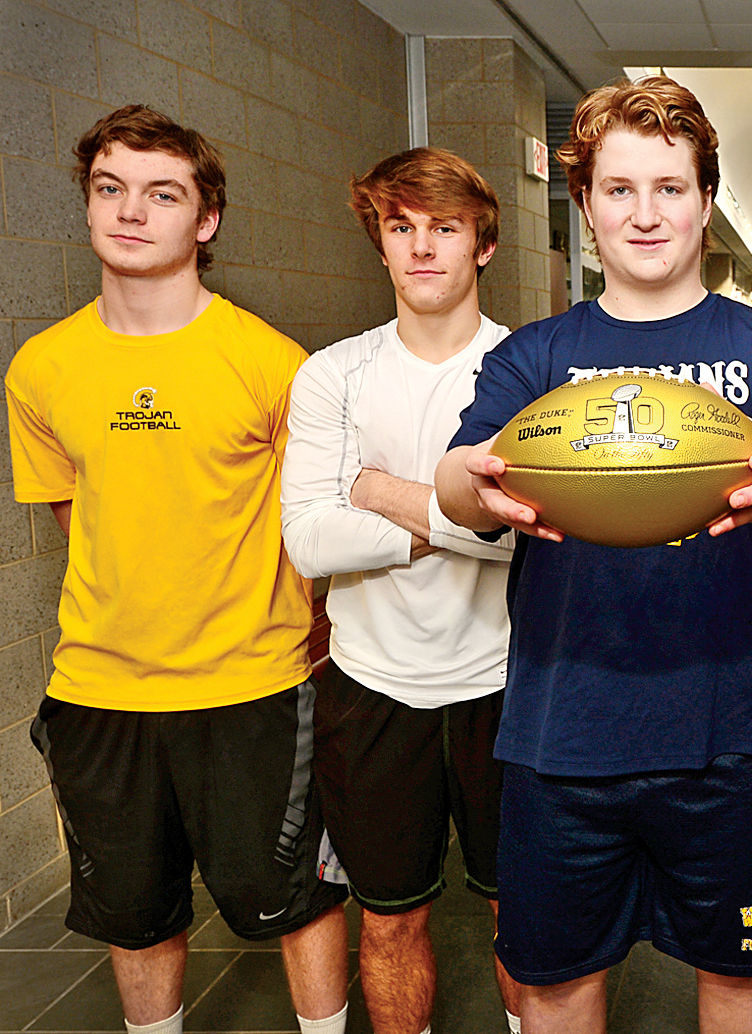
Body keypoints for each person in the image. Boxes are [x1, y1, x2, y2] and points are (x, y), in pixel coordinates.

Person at [432, 76, 752, 1034]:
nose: (645, 214)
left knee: (736, 974)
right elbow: (455, 484)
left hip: (729, 728)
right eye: (620, 189)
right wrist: (474, 479)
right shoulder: (532, 357)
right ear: (586, 204)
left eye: (671, 187)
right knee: (559, 982)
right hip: (564, 731)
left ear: (705, 200)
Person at [4, 105, 348, 1034]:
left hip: (251, 687)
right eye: (109, 189)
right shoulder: (41, 369)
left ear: (206, 221)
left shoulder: (273, 365)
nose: (130, 212)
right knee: (135, 913)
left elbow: (308, 525)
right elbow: (85, 522)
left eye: (162, 194)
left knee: (296, 903)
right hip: (99, 690)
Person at [280, 148, 520, 1034]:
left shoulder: (525, 371)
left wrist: (379, 491)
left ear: (482, 245)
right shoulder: (333, 375)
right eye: (401, 226)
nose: (422, 247)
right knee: (389, 919)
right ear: (379, 242)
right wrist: (464, 519)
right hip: (371, 689)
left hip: (508, 686)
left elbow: (537, 547)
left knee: (522, 920)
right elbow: (307, 537)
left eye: (444, 228)